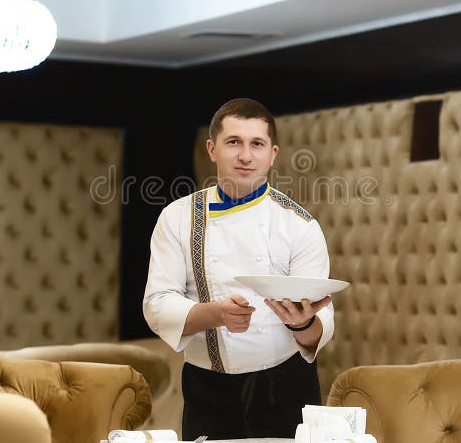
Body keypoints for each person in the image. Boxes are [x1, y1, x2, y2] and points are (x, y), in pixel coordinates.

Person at [143, 98, 334, 440]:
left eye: (256, 144)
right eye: (234, 142)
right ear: (212, 149)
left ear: (272, 154)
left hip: (285, 385)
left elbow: (318, 329)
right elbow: (157, 304)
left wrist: (303, 322)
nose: (246, 155)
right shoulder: (177, 218)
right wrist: (215, 313)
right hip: (207, 388)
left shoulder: (300, 225)